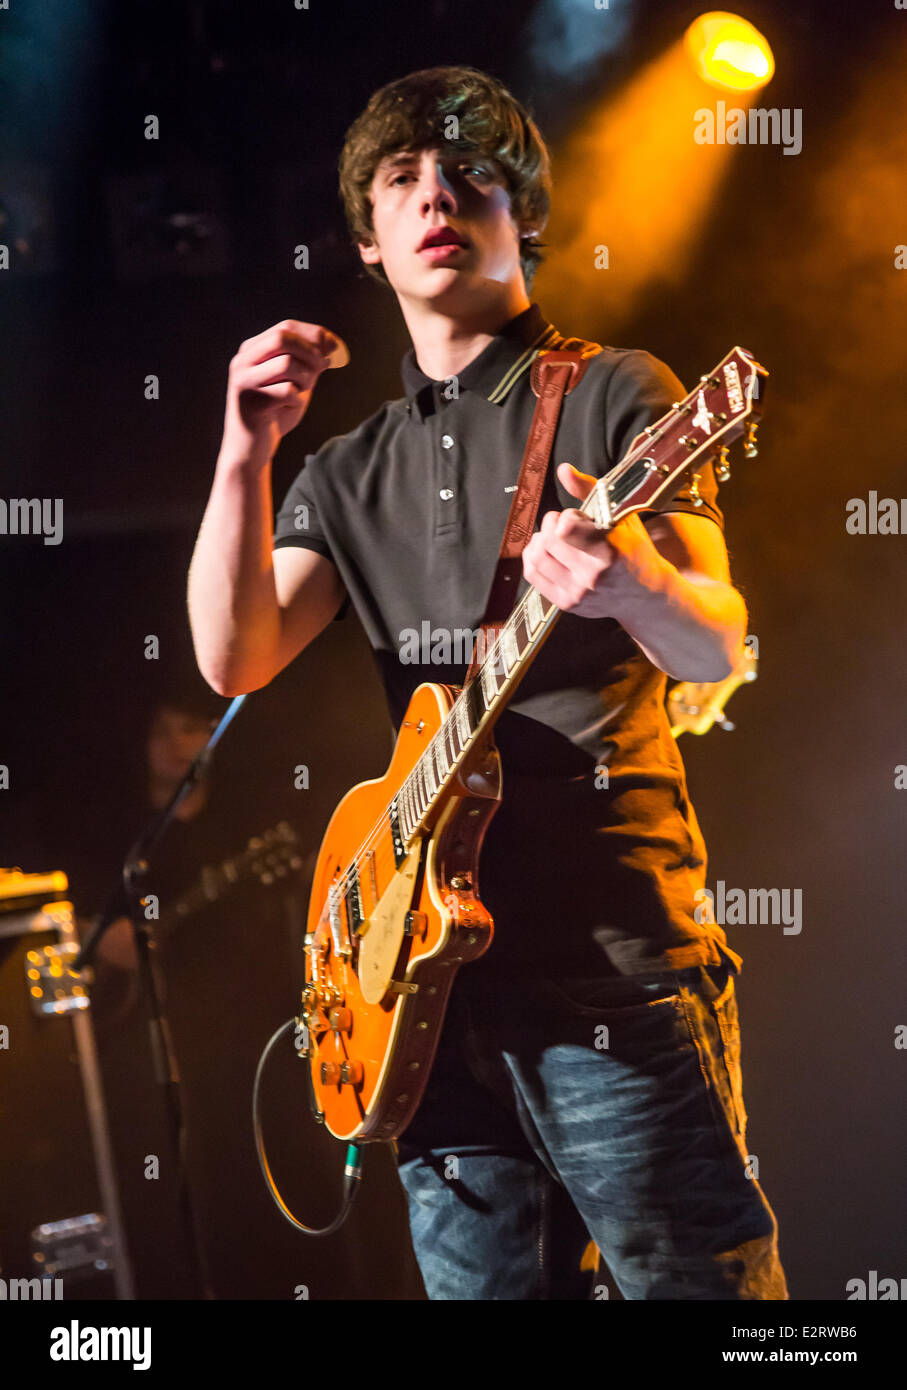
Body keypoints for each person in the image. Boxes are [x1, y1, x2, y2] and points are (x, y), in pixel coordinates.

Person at [187, 65, 788, 1300]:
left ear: (525, 213)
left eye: (470, 173)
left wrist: (632, 583)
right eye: (400, 178)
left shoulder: (619, 391)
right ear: (368, 240)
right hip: (426, 1000)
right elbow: (232, 653)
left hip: (610, 967)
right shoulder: (344, 470)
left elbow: (715, 644)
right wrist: (246, 451)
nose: (436, 196)